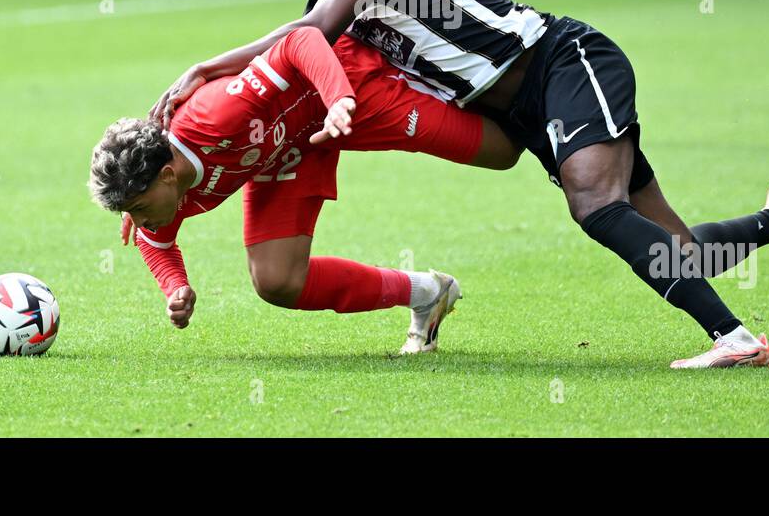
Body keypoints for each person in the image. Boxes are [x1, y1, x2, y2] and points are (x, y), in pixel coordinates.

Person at [150, 0, 769, 369]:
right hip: (526, 107)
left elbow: (311, 27)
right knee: (676, 253)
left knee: (595, 207)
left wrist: (203, 67)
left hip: (562, 61)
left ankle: (735, 337)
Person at [92, 22, 521, 353]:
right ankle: (429, 293)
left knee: (500, 150)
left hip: (340, 90)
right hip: (290, 151)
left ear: (166, 174)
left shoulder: (212, 117)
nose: (139, 219)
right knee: (277, 281)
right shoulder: (163, 193)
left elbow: (302, 40)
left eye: (139, 207)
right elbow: (156, 242)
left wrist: (338, 99)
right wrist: (175, 287)